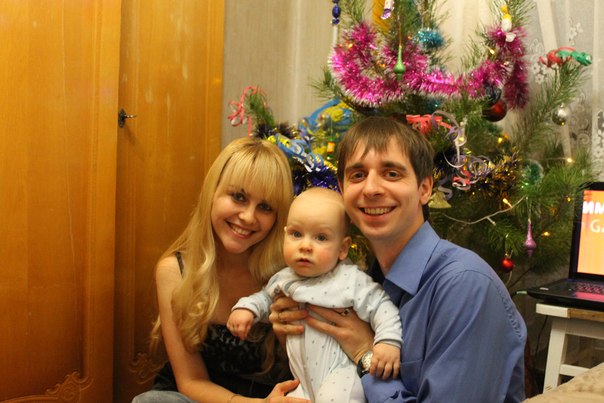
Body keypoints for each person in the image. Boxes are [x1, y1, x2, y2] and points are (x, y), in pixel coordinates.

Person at [270, 116, 527, 402]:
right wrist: (295, 332)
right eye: (358, 175)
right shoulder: (360, 282)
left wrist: (365, 355)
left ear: (425, 188)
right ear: (342, 191)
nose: (371, 189)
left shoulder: (465, 287)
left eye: (392, 173)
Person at [132, 137, 310, 403]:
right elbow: (190, 381)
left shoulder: (290, 275)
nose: (248, 217)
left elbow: (309, 367)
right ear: (212, 193)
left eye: (265, 207)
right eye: (238, 197)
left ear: (277, 218)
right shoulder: (174, 271)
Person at [227, 187, 403, 402]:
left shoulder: (349, 279)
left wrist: (387, 342)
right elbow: (264, 299)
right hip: (303, 381)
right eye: (296, 234)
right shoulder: (283, 278)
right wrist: (246, 309)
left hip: (340, 374)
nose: (305, 246)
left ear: (342, 248)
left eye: (321, 237)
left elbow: (382, 306)